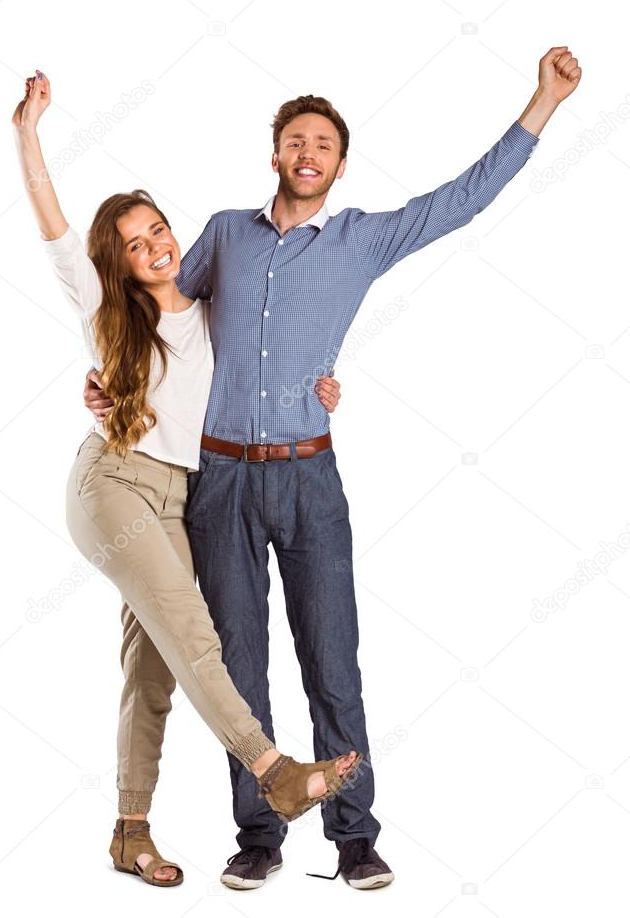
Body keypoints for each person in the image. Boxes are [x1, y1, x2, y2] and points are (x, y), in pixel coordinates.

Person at [85, 46, 582, 890]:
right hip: (220, 479)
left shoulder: (362, 240)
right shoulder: (220, 236)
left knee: (333, 658)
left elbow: (460, 200)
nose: (308, 153)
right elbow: (162, 309)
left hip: (311, 477)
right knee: (237, 660)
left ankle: (355, 837)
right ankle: (261, 834)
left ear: (339, 164)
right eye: (295, 140)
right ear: (274, 154)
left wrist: (545, 101)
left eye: (323, 144)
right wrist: (111, 378)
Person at [11, 70, 362, 889]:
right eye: (133, 242)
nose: (152, 246)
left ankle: (129, 831)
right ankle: (274, 769)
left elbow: (269, 353)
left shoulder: (210, 304)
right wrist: (28, 133)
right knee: (196, 631)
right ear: (118, 260)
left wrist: (320, 385)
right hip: (113, 485)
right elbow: (54, 226)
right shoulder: (106, 306)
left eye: (157, 230)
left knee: (153, 665)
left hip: (182, 494)